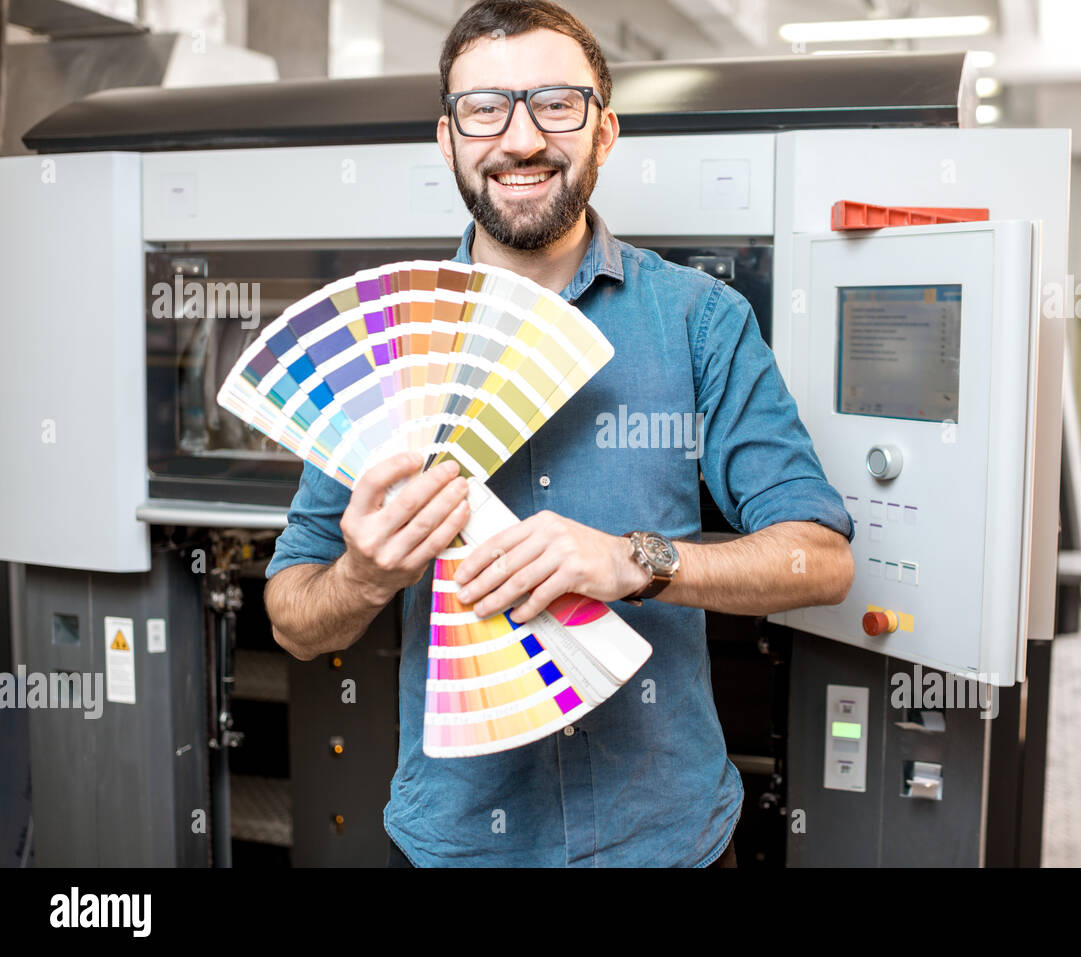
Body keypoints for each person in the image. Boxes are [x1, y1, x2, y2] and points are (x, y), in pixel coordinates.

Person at [264, 0, 854, 868]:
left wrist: (638, 561)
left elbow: (822, 562)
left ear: (604, 131)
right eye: (485, 109)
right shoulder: (386, 344)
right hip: (457, 847)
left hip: (670, 843)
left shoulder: (699, 321)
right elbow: (295, 622)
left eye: (556, 104)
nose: (521, 138)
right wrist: (363, 574)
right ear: (448, 139)